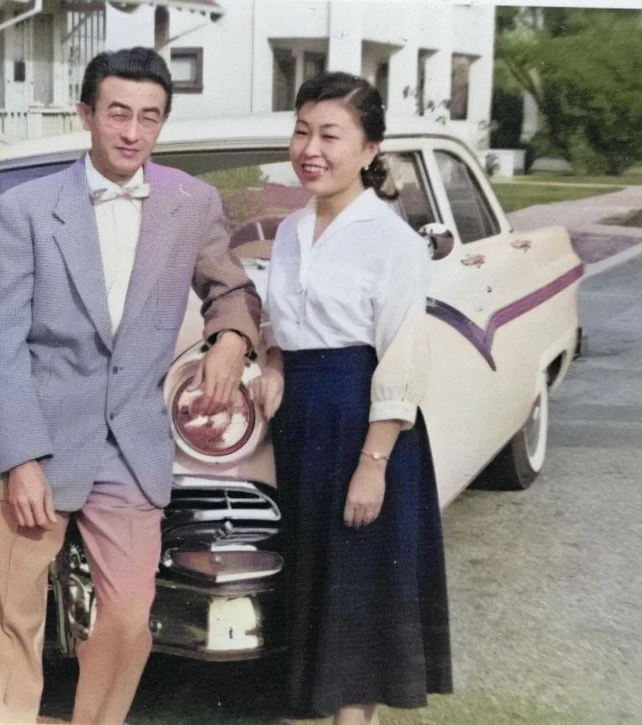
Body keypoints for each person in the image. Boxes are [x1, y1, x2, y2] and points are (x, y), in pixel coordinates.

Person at [0, 47, 261, 725]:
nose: (133, 133)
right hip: (36, 444)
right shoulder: (25, 209)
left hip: (131, 444)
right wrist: (21, 459)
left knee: (130, 615)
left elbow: (233, 289)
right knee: (14, 621)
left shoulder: (193, 202)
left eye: (150, 117)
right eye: (118, 114)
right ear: (87, 115)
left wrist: (232, 340)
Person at [248, 72, 453, 725]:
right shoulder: (289, 232)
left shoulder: (390, 238)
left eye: (330, 135)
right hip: (300, 418)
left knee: (357, 580)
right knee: (310, 572)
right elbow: (282, 324)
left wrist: (374, 461)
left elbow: (401, 351)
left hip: (363, 419)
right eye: (302, 130)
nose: (310, 147)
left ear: (369, 150)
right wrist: (274, 361)